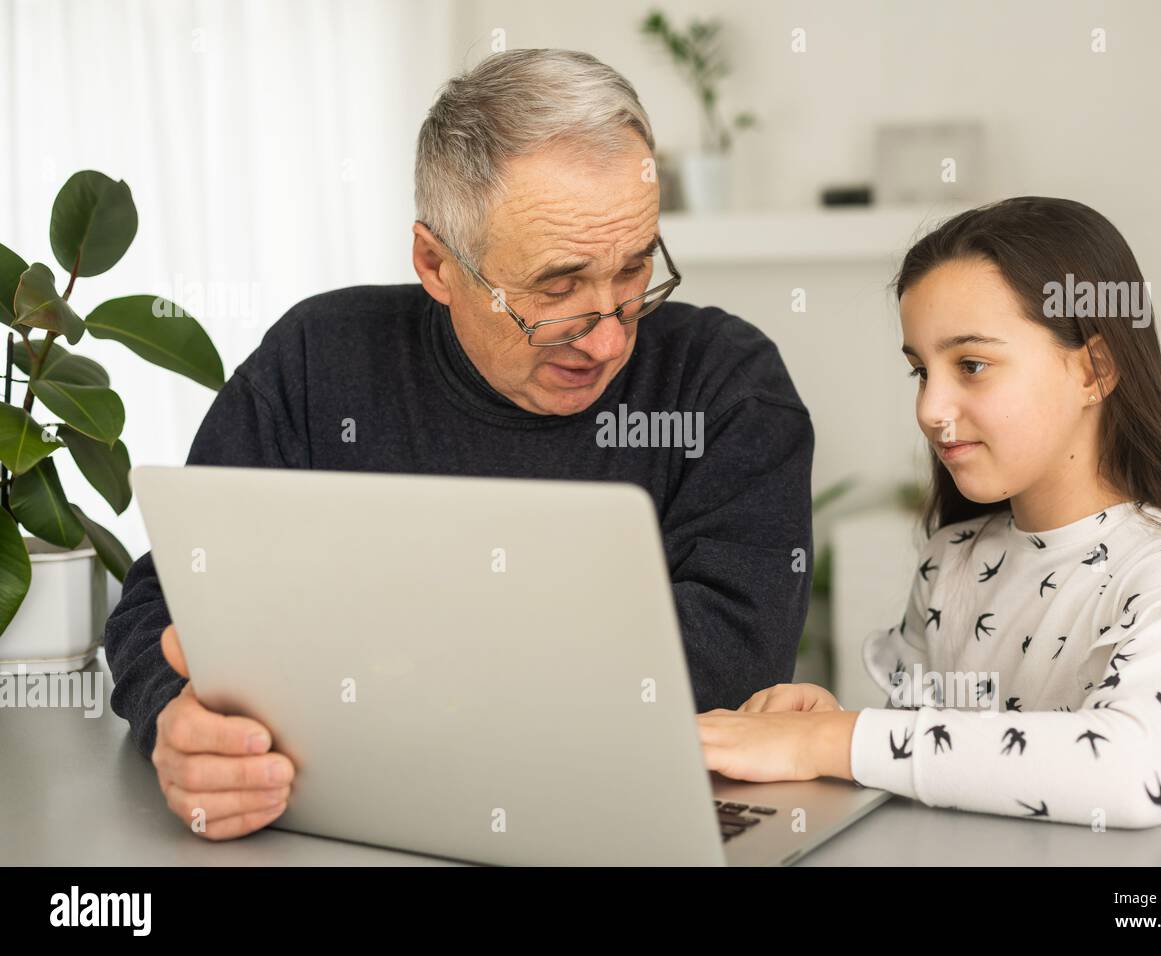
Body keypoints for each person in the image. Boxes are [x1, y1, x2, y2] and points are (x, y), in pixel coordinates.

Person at [105, 49, 813, 841]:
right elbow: (164, 604)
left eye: (635, 271)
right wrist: (176, 720)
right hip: (327, 836)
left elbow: (726, 666)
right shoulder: (317, 359)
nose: (610, 337)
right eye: (556, 289)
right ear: (436, 263)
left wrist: (373, 675)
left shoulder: (727, 386)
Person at [698, 197, 1161, 827]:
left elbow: (1133, 775)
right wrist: (828, 732)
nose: (932, 407)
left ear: (1095, 370)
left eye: (972, 365)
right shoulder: (950, 561)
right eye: (919, 371)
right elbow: (927, 764)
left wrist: (835, 741)